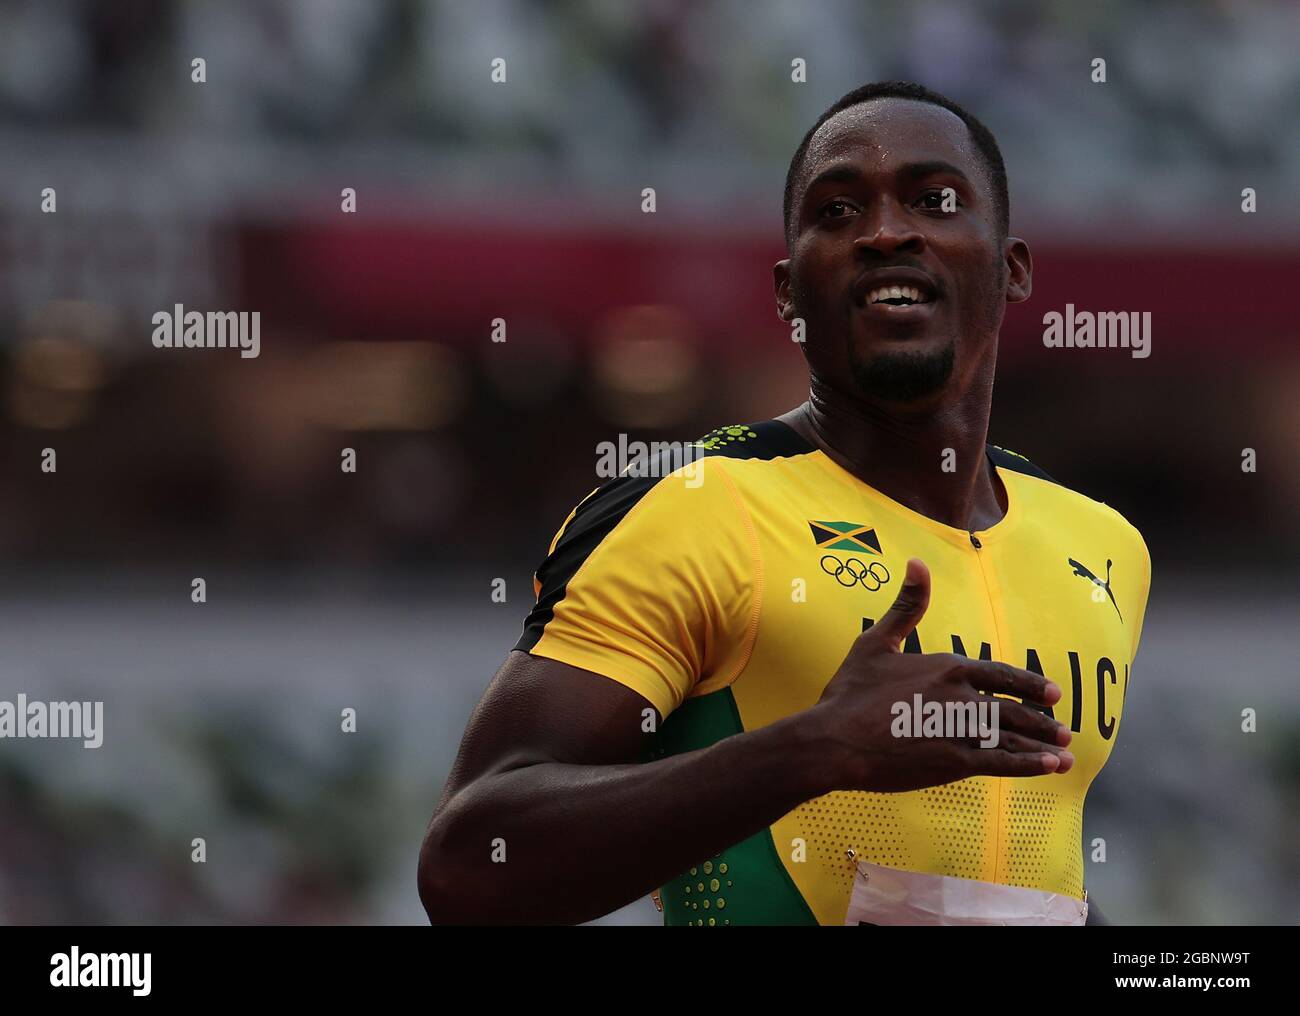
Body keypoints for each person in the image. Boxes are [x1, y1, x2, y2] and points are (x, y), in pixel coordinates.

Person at [418, 80, 1152, 925]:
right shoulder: (695, 506)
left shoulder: (1102, 545)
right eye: (837, 212)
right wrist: (813, 748)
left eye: (934, 199)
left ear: (1012, 267)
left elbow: (1022, 875)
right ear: (786, 290)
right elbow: (466, 866)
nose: (885, 232)